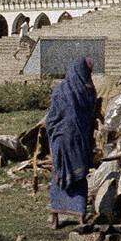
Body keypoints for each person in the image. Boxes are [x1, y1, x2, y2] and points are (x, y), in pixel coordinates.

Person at [45, 57, 97, 228]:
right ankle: (80, 215)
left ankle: (55, 216)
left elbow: (52, 117)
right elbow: (92, 117)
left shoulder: (61, 89)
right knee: (80, 176)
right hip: (79, 142)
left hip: (61, 139)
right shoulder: (88, 91)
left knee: (59, 173)